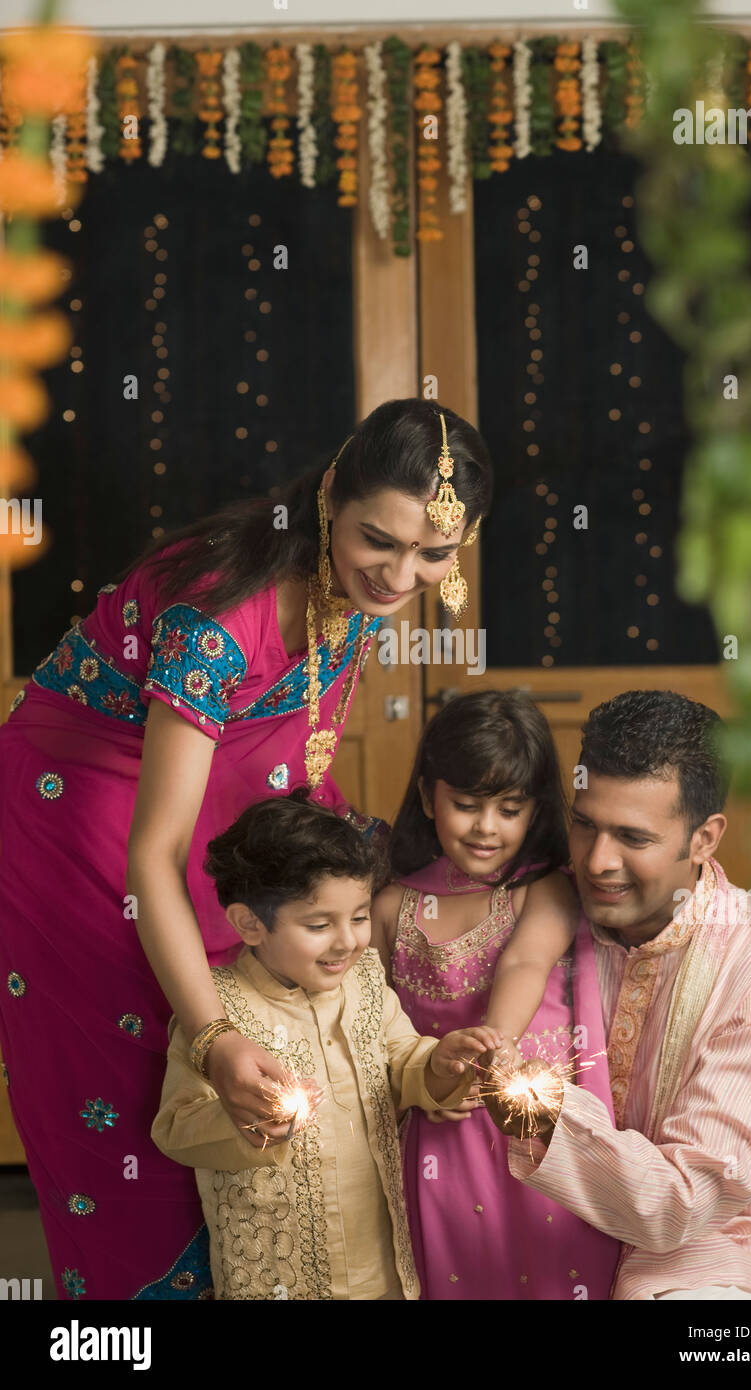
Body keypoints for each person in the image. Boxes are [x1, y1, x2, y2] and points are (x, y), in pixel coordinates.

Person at [0, 397, 492, 1300]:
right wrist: (215, 1035)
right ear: (333, 497)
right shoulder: (221, 619)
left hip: (210, 769)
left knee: (276, 959)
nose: (400, 574)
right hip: (84, 807)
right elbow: (154, 858)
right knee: (151, 1063)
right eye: (379, 541)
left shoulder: (358, 588)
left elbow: (295, 756)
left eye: (432, 554)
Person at [483, 689, 751, 1300]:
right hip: (555, 1228)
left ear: (704, 839)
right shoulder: (543, 909)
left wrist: (539, 1114)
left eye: (633, 837)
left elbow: (686, 1203)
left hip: (729, 1249)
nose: (598, 861)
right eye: (585, 825)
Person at [152, 792, 498, 1300]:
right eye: (319, 925)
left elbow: (402, 1059)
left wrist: (439, 1064)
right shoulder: (214, 1010)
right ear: (250, 923)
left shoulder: (362, 980)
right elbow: (177, 1128)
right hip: (274, 1278)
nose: (348, 942)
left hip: (380, 1269)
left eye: (358, 917)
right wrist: (247, 1122)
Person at [372, 690, 620, 1299]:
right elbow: (366, 1017)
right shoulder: (389, 905)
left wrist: (496, 1050)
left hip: (528, 1118)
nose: (487, 827)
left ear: (534, 813)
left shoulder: (542, 890)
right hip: (441, 1126)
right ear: (430, 797)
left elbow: (525, 962)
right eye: (467, 804)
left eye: (510, 809)